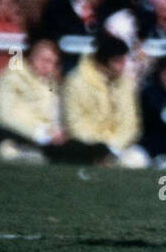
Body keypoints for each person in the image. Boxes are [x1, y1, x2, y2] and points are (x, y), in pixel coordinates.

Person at [0, 35, 111, 164]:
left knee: (76, 146)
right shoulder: (10, 78)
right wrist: (40, 133)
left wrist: (53, 132)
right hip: (5, 130)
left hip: (39, 136)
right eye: (42, 59)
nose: (46, 65)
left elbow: (51, 117)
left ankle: (101, 155)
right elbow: (5, 115)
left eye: (51, 61)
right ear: (31, 57)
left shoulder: (50, 85)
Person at [62, 32, 146, 168]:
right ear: (104, 61)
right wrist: (101, 146)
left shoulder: (126, 83)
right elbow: (75, 123)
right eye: (119, 61)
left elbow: (131, 122)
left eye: (124, 60)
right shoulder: (76, 81)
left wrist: (114, 146)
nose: (124, 65)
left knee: (138, 160)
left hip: (119, 148)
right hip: (87, 148)